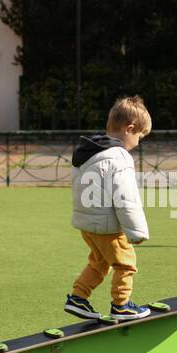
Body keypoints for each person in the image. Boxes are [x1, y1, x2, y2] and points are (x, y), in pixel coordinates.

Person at [64, 96, 152, 321]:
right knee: (126, 263)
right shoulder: (119, 157)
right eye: (140, 136)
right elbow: (126, 197)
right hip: (108, 227)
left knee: (99, 262)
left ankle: (78, 298)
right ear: (129, 129)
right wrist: (137, 231)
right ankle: (121, 305)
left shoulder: (89, 152)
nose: (138, 142)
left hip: (87, 224)